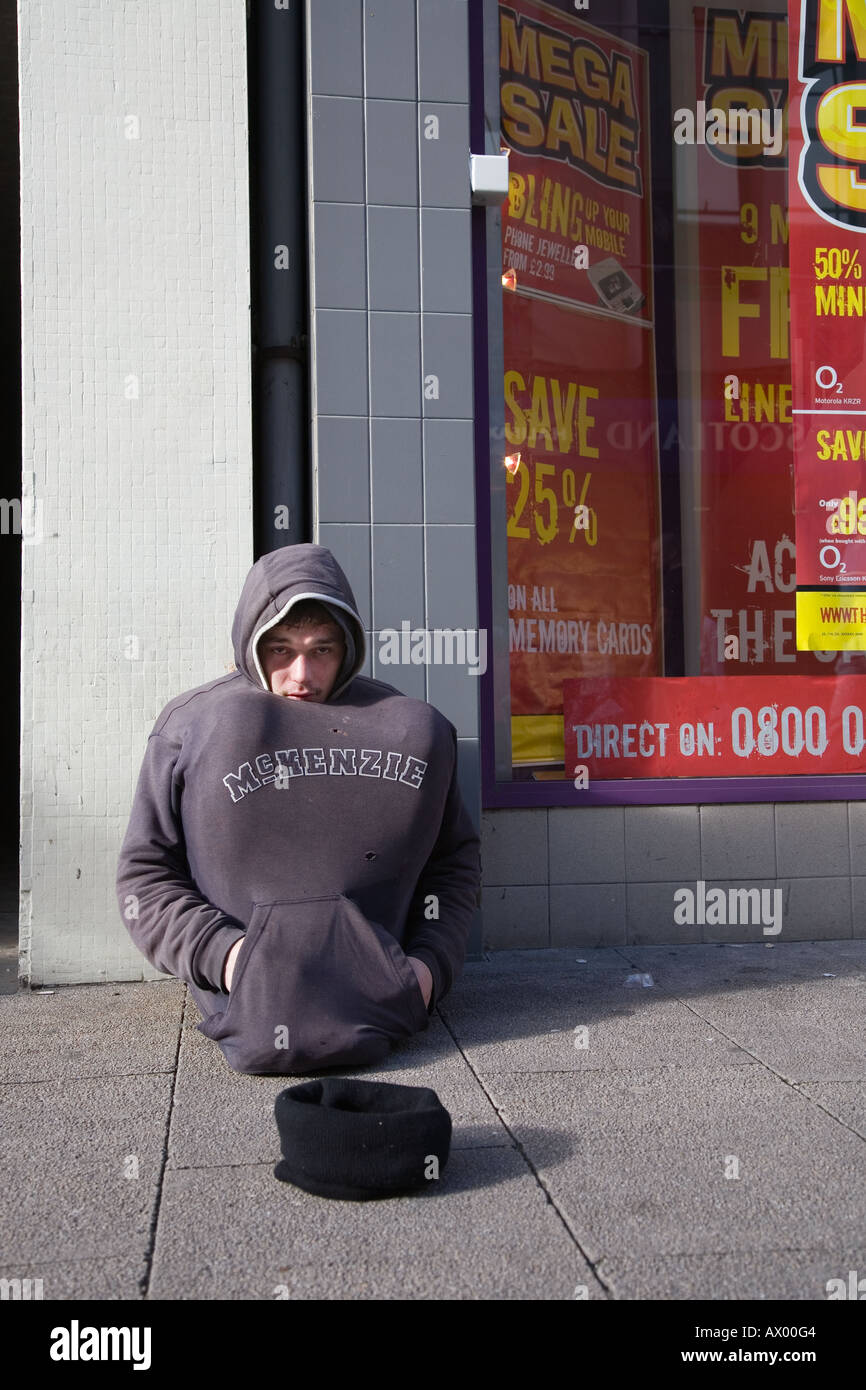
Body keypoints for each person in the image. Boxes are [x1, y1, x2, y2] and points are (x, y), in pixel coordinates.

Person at [115, 543, 482, 1074]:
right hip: (240, 997)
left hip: (387, 1000)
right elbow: (146, 874)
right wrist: (228, 959)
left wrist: (427, 973)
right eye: (281, 649)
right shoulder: (194, 727)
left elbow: (453, 865)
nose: (302, 675)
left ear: (349, 647)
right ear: (252, 643)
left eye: (323, 650)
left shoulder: (414, 729)